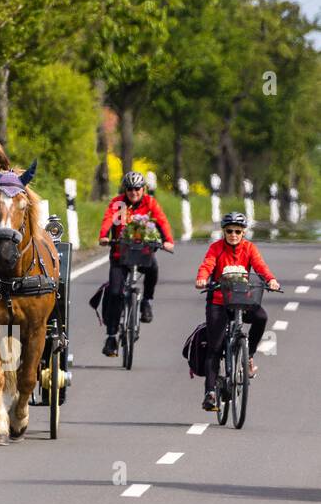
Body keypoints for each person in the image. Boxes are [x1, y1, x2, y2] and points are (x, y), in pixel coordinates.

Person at [194, 212, 279, 410]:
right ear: (224, 232)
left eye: (237, 231)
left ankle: (248, 356)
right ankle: (210, 393)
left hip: (242, 299)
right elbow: (207, 264)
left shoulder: (249, 248)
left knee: (261, 317)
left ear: (243, 233)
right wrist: (202, 278)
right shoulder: (216, 248)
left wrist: (271, 280)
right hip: (218, 301)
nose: (233, 235)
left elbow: (260, 266)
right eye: (229, 231)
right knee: (215, 347)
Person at [97, 170, 175, 356]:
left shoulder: (150, 203)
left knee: (153, 269)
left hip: (143, 254)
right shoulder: (118, 203)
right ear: (125, 190)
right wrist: (104, 236)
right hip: (120, 255)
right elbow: (108, 220)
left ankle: (147, 301)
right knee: (115, 293)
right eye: (130, 189)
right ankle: (111, 337)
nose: (134, 192)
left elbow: (162, 221)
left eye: (137, 188)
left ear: (143, 189)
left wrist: (168, 241)